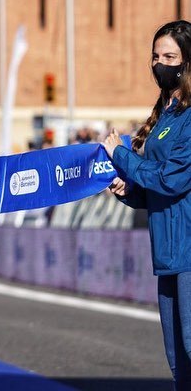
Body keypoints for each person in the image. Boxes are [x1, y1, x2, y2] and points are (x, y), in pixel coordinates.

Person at [102, 20, 191, 388]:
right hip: (167, 250)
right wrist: (130, 191)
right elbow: (155, 183)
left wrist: (122, 156)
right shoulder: (165, 113)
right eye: (156, 56)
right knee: (177, 360)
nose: (160, 63)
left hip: (188, 247)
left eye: (169, 56)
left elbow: (172, 179)